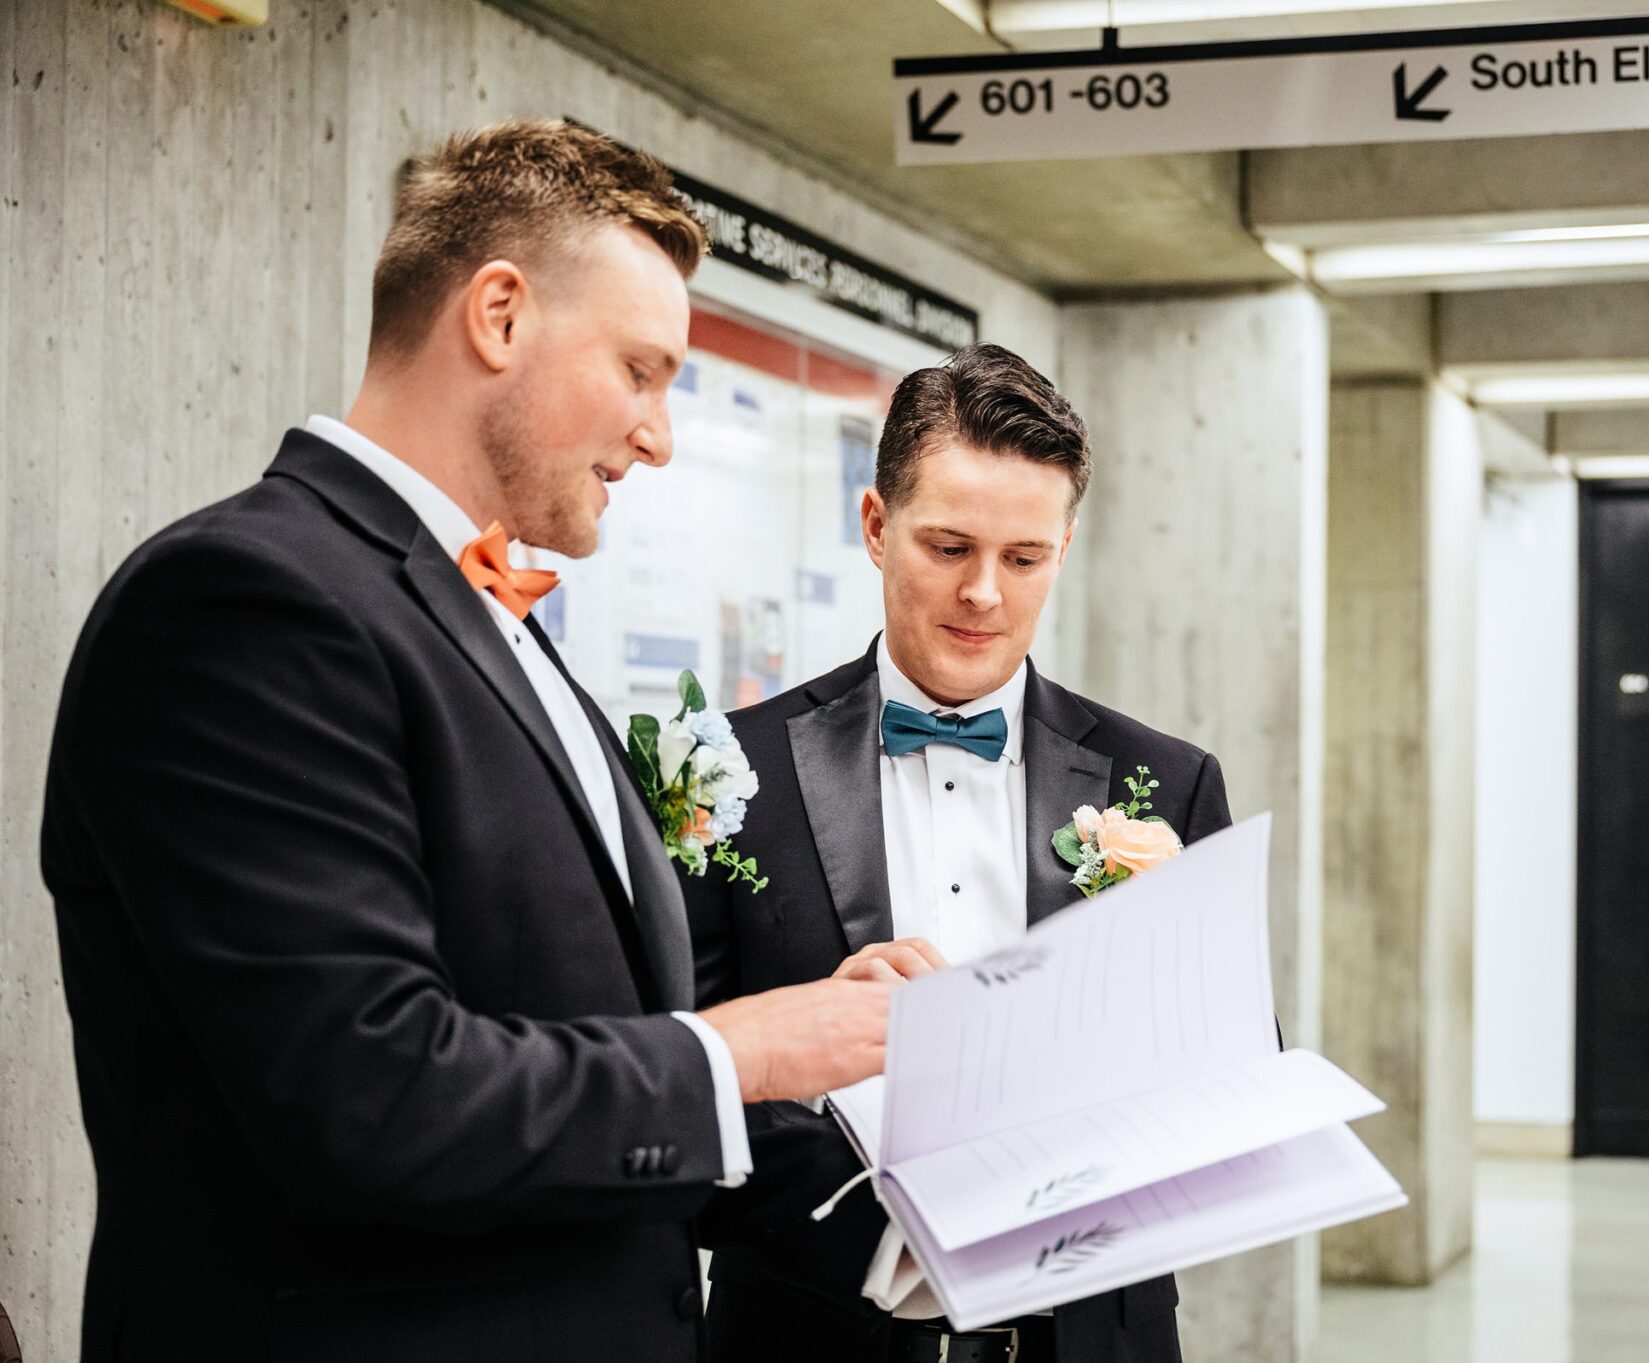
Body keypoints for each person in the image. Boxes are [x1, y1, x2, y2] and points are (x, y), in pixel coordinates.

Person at [39, 119, 909, 1363]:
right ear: (498, 315)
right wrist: (745, 1048)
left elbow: (570, 1029)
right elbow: (369, 1094)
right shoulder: (244, 603)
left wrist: (893, 1217)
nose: (659, 434)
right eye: (641, 371)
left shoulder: (492, 620)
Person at [684, 343, 1233, 1363]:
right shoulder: (727, 774)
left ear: (1064, 548)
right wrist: (864, 1186)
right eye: (948, 546)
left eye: (1023, 558)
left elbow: (1232, 1077)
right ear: (874, 525)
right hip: (810, 1336)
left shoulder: (1165, 781)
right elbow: (670, 1096)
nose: (984, 591)